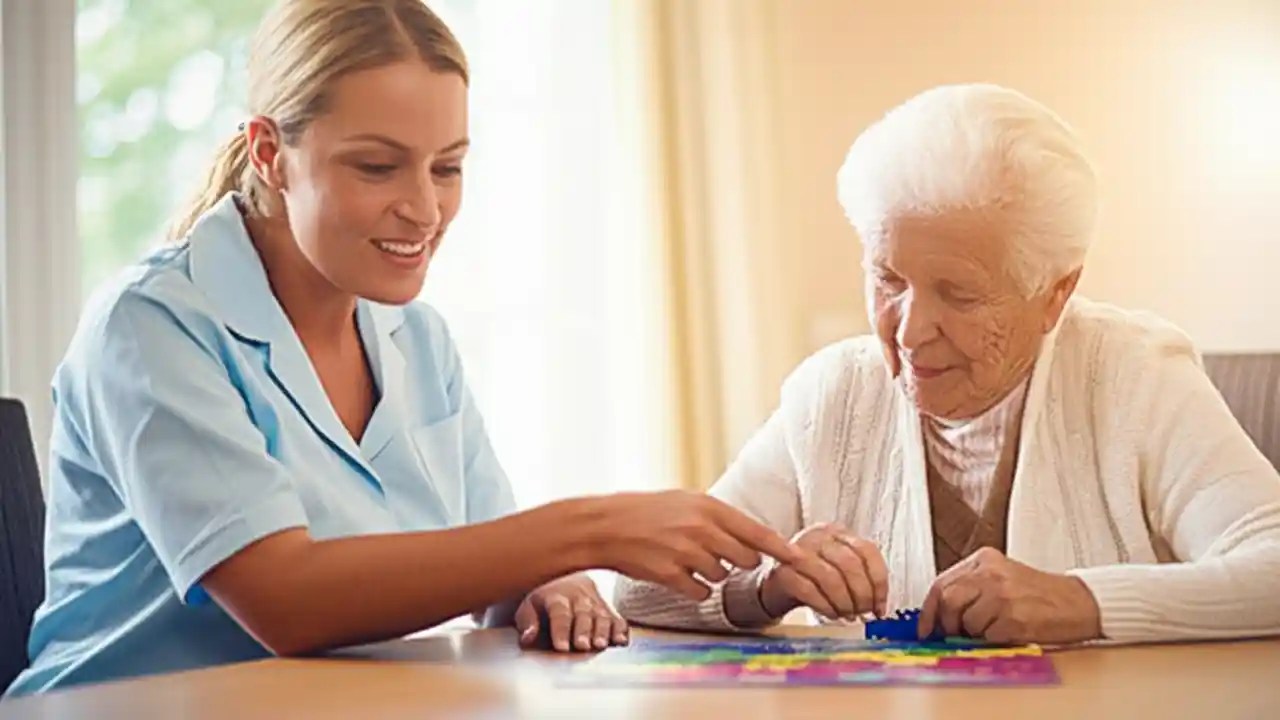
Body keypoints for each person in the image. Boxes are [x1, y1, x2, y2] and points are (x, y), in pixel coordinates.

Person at [6, 0, 799, 696]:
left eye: (447, 168)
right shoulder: (150, 325)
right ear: (268, 153)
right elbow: (289, 602)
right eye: (377, 167)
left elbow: (499, 562)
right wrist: (587, 529)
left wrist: (548, 585)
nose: (424, 209)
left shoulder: (416, 339)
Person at [615, 83, 1280, 646]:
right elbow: (640, 587)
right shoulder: (833, 393)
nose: (908, 330)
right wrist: (767, 586)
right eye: (887, 278)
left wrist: (1082, 600)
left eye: (957, 294)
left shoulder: (1137, 375)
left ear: (1054, 295)